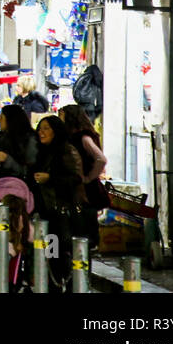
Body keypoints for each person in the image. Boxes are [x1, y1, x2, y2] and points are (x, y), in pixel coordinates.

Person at [32, 115, 88, 290]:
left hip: (63, 213)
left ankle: (68, 285)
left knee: (64, 254)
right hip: (47, 213)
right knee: (51, 254)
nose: (41, 132)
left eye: (46, 128)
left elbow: (76, 178)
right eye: (40, 128)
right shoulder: (41, 152)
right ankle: (55, 284)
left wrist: (50, 178)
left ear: (56, 130)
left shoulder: (66, 151)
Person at [60, 104, 109, 246]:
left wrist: (88, 178)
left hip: (86, 191)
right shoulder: (73, 137)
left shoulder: (83, 138)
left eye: (62, 117)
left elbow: (101, 159)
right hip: (80, 188)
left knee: (85, 233)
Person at [0, 103, 39, 191]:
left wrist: (7, 159)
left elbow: (29, 170)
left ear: (11, 120)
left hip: (21, 191)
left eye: (1, 118)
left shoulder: (29, 140)